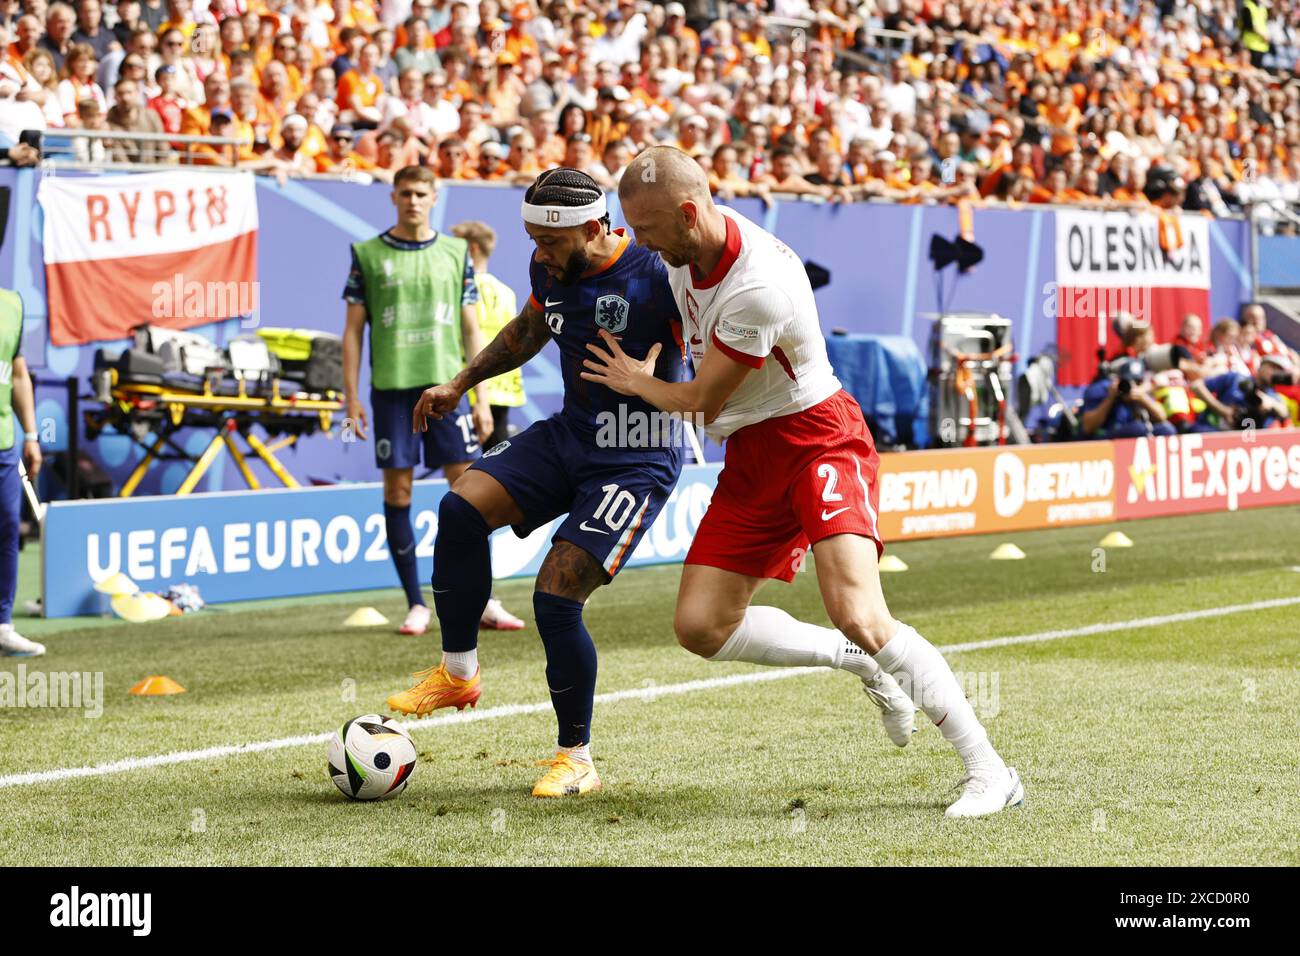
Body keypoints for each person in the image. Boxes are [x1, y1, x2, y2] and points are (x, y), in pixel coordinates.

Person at [583, 146, 1023, 819]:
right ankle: (855, 659)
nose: (637, 243)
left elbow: (701, 398)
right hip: (752, 453)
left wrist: (639, 384)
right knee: (701, 626)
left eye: (644, 230)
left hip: (818, 438)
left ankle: (990, 770)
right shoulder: (683, 251)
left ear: (689, 213)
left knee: (860, 609)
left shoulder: (757, 285)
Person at [385, 168, 688, 799]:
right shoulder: (547, 269)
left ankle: (575, 757)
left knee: (555, 596)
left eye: (550, 243)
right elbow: (528, 331)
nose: (539, 255)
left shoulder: (660, 276)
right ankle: (459, 672)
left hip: (636, 455)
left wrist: (653, 384)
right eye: (532, 241)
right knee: (460, 508)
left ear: (596, 228)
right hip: (570, 435)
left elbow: (722, 359)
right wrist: (459, 383)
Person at [342, 165, 522, 638]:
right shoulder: (367, 253)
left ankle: (482, 599)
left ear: (434, 195)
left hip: (447, 391)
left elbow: (470, 329)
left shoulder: (455, 252)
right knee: (397, 492)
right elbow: (353, 331)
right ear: (394, 197)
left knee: (470, 495)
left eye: (422, 193)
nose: (413, 200)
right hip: (391, 392)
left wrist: (480, 398)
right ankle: (416, 604)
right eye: (405, 193)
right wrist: (350, 397)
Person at [449, 220, 523, 451]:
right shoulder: (506, 291)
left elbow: (471, 334)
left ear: (471, 248)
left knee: (463, 463)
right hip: (503, 387)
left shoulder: (461, 290)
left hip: (472, 384)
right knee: (496, 460)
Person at [0, 287, 43, 656]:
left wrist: (30, 434)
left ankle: (2, 627)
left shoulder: (12, 303)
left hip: (4, 442)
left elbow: (17, 374)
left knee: (9, 529)